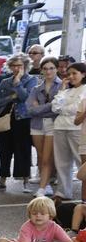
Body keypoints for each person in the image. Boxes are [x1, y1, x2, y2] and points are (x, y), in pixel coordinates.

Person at [0, 54, 36, 193]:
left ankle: (26, 181)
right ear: (9, 67)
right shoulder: (5, 81)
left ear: (25, 66)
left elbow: (25, 98)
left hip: (23, 119)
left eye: (20, 66)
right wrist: (12, 96)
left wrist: (17, 83)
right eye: (14, 66)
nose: (17, 68)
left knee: (23, 150)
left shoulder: (31, 80)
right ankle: (2, 180)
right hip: (6, 118)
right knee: (4, 150)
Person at [26, 56, 62, 197]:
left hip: (53, 125)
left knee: (47, 157)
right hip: (37, 124)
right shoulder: (36, 88)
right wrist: (48, 106)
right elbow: (30, 109)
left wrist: (40, 107)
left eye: (52, 68)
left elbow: (57, 107)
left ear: (57, 69)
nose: (48, 71)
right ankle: (45, 184)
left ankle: (42, 188)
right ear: (41, 70)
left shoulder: (62, 86)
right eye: (45, 68)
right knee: (41, 156)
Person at [49, 62, 86, 200]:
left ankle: (84, 195)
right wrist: (62, 89)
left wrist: (65, 107)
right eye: (69, 74)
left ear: (83, 74)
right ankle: (63, 192)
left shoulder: (85, 89)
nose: (71, 76)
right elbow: (55, 107)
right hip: (60, 127)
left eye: (74, 73)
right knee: (62, 161)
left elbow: (76, 109)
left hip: (76, 128)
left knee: (81, 162)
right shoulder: (65, 90)